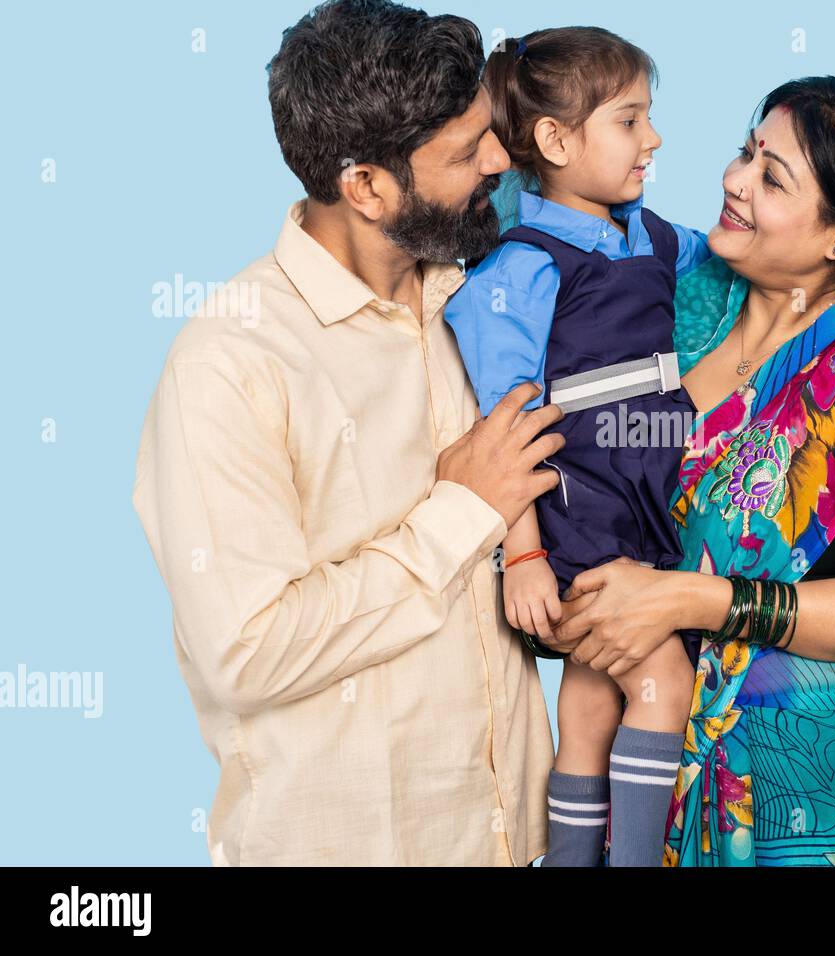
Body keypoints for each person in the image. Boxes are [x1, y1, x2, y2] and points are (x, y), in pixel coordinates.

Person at [131, 0, 564, 866]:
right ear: (365, 185)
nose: (497, 158)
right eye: (464, 150)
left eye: (489, 130)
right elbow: (247, 653)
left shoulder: (486, 302)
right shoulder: (230, 361)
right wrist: (460, 512)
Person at [543, 75, 835, 866]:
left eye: (771, 178)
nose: (733, 180)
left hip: (801, 797)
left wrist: (689, 597)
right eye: (747, 152)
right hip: (643, 747)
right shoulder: (673, 302)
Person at [443, 27, 712, 867]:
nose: (654, 140)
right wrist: (521, 555)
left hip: (645, 509)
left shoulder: (656, 239)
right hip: (575, 522)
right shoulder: (523, 268)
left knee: (596, 700)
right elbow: (503, 422)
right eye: (630, 121)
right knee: (662, 680)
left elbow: (739, 268)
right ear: (556, 141)